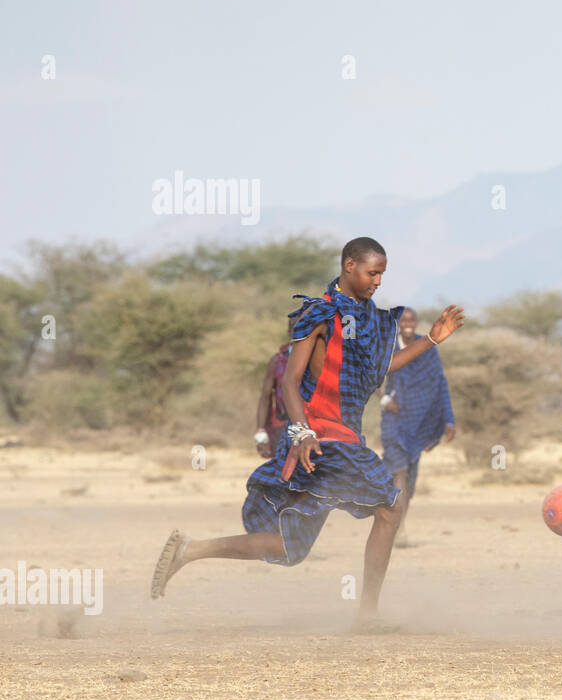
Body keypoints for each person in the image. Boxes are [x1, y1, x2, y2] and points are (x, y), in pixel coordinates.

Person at [150, 236, 466, 630]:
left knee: (289, 547)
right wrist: (300, 432)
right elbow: (290, 382)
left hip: (337, 438)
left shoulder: (364, 315)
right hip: (321, 436)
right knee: (390, 508)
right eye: (372, 272)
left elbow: (378, 371)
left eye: (382, 274)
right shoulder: (318, 313)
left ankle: (190, 550)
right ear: (349, 266)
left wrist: (431, 340)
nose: (378, 281)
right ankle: (367, 615)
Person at [379, 308, 456, 548]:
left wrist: (448, 419)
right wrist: (383, 399)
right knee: (398, 473)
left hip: (420, 420)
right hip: (394, 420)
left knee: (410, 481)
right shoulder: (387, 347)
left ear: (417, 322)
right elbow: (368, 376)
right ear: (397, 324)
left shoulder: (427, 347)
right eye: (403, 320)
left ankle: (399, 527)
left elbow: (439, 382)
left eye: (411, 320)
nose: (408, 324)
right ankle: (395, 530)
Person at [254, 324, 293, 458]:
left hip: (312, 424)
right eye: (295, 328)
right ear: (289, 331)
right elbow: (265, 397)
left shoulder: (318, 358)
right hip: (283, 424)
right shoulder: (277, 361)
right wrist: (261, 432)